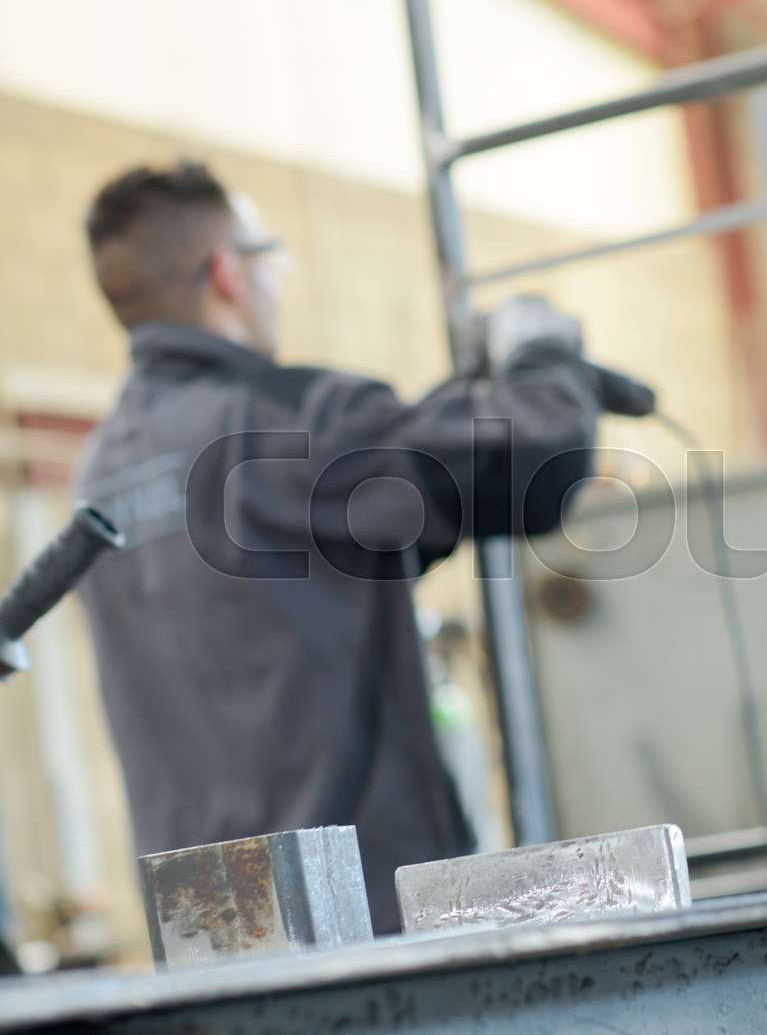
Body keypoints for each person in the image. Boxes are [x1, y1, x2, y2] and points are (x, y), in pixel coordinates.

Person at [75, 161, 600, 934]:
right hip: (359, 922)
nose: (276, 280)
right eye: (268, 256)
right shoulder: (284, 419)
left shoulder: (101, 472)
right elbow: (532, 465)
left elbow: (293, 578)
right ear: (227, 272)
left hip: (209, 941)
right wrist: (543, 357)